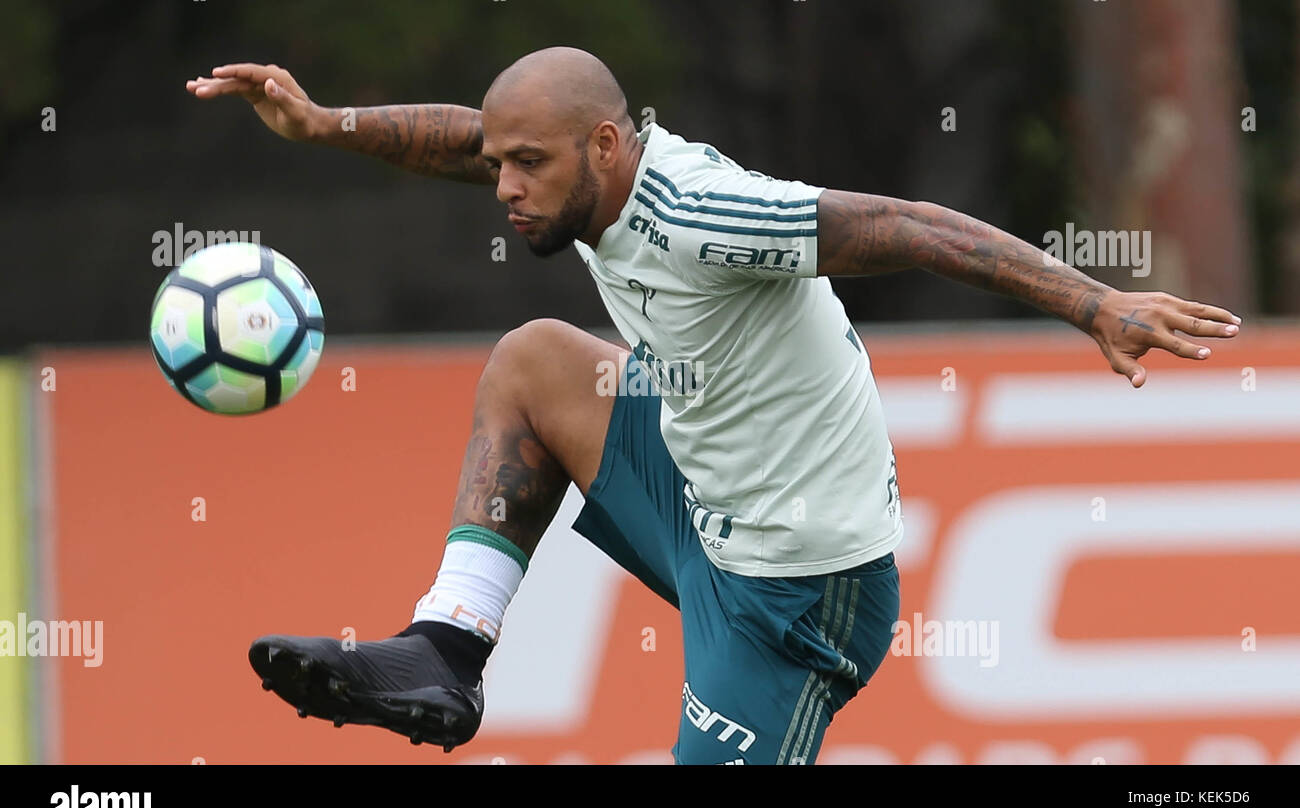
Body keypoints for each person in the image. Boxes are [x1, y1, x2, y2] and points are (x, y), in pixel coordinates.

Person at [187, 46, 1242, 764]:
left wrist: (1091, 300)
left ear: (604, 147)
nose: (504, 185)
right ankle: (448, 649)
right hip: (699, 503)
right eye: (500, 163)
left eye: (527, 164)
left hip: (796, 597)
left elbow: (910, 225)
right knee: (534, 363)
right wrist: (329, 124)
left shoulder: (706, 214)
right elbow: (475, 137)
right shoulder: (581, 168)